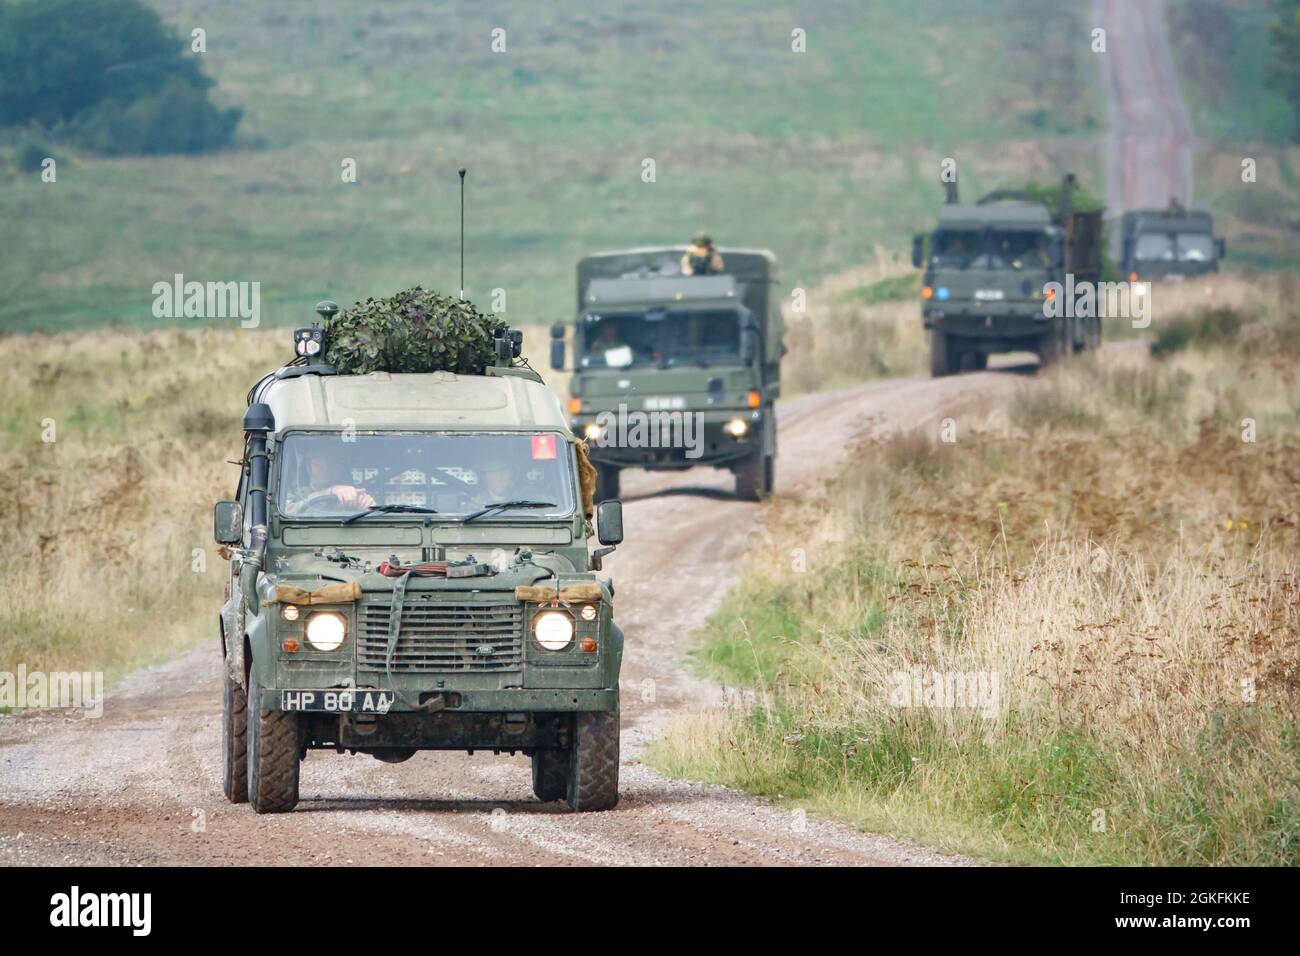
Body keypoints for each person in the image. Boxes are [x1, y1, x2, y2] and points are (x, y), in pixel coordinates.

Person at [286, 441, 375, 513]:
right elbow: (287, 513)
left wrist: (367, 506)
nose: (326, 467)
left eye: (332, 460)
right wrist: (328, 492)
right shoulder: (300, 495)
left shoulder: (352, 494)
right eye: (319, 461)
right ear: (309, 466)